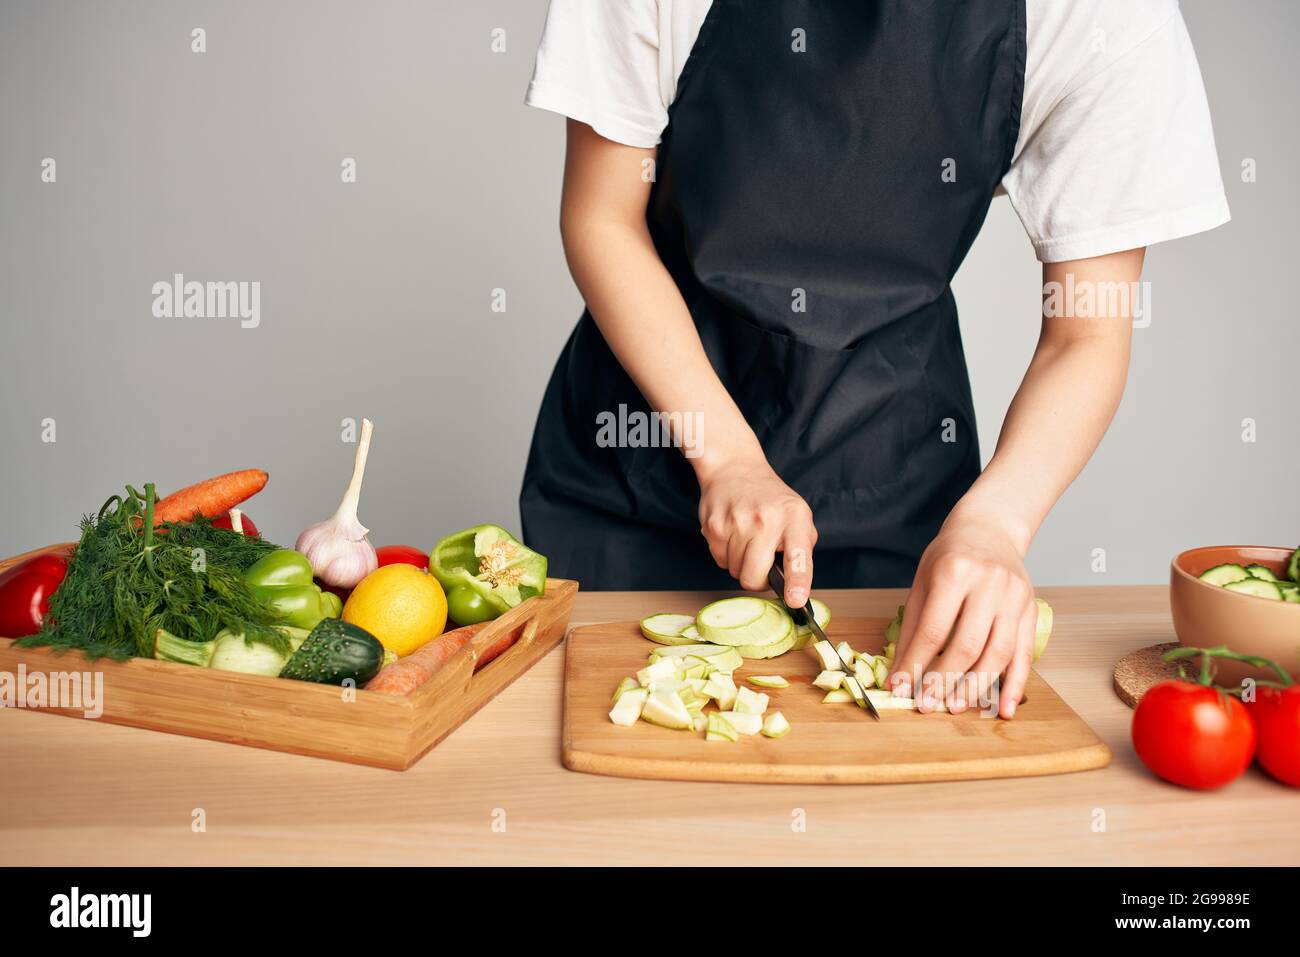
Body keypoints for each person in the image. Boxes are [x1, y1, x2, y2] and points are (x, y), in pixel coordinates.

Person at [519, 0, 1229, 716]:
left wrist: (995, 524)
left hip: (895, 479)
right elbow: (601, 217)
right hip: (637, 474)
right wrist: (727, 455)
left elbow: (1088, 333)